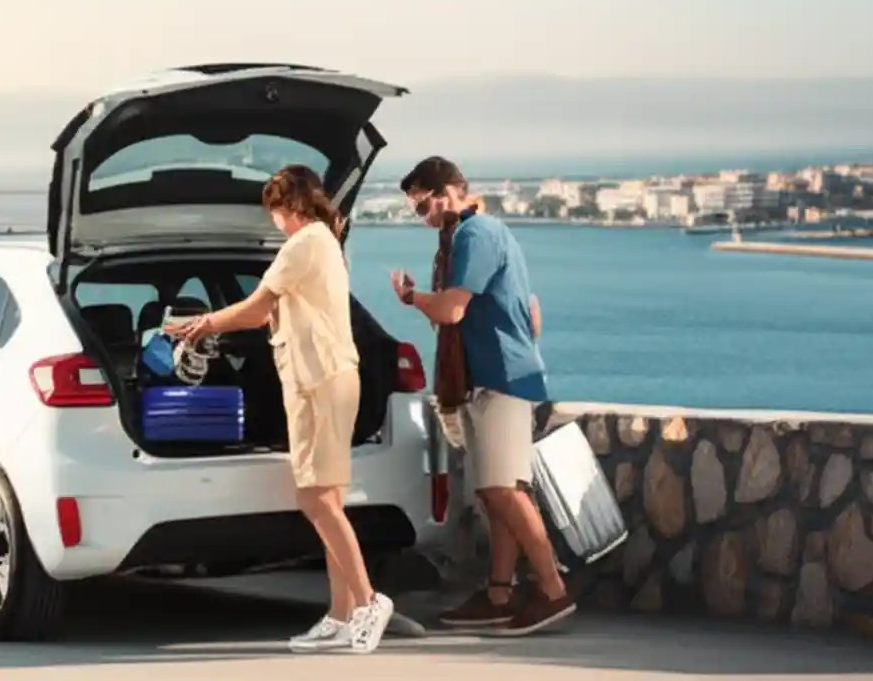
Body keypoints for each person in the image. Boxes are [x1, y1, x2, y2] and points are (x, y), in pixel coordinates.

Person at [165, 165, 394, 654]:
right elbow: (270, 313)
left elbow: (254, 308)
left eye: (274, 210)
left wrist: (200, 324)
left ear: (287, 206)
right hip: (329, 379)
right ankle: (340, 614)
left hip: (318, 383)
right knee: (328, 500)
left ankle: (369, 601)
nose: (275, 221)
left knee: (316, 501)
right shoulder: (325, 241)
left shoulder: (304, 243)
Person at [391, 156, 574, 635]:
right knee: (496, 494)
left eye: (424, 206)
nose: (425, 218)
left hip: (502, 380)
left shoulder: (475, 234)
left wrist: (411, 298)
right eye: (418, 211)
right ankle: (498, 594)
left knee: (502, 490)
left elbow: (450, 310)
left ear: (447, 192)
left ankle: (553, 591)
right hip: (486, 379)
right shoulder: (471, 236)